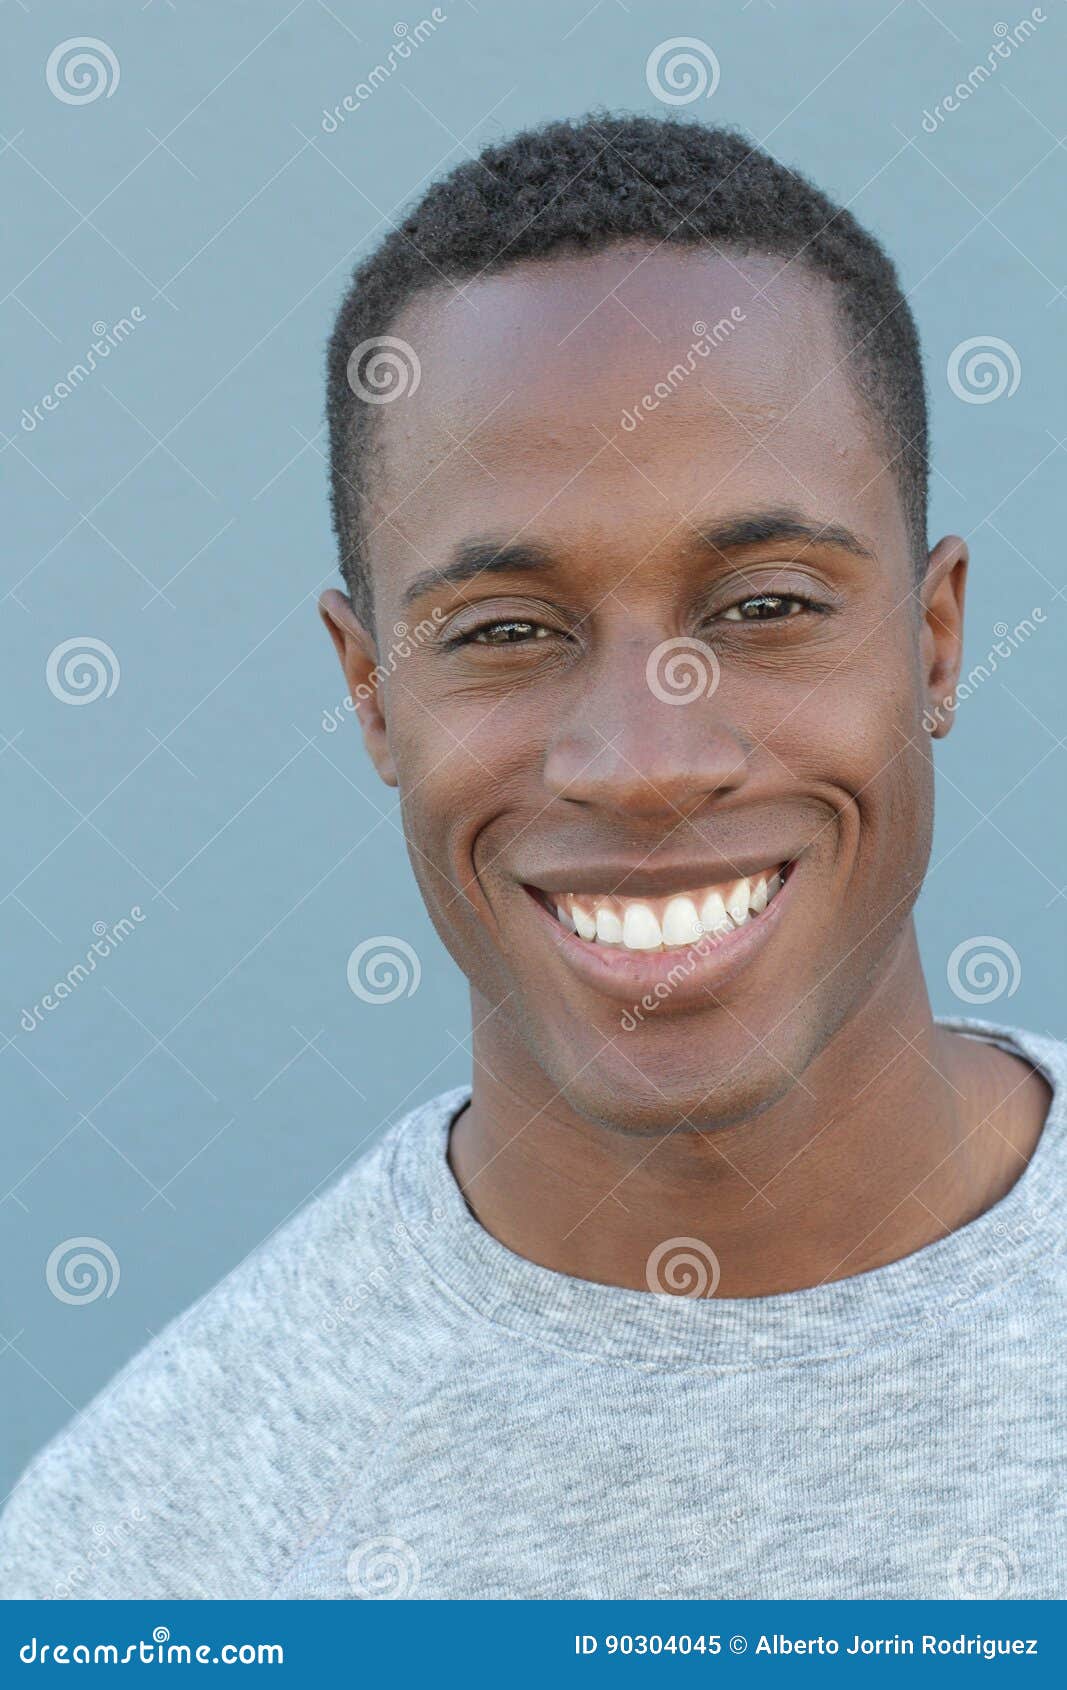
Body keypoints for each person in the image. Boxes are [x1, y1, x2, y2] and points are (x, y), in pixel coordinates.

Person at [2, 114, 1062, 1602]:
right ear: (373, 692)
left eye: (765, 606)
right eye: (507, 630)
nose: (644, 762)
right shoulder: (146, 1567)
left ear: (935, 643)